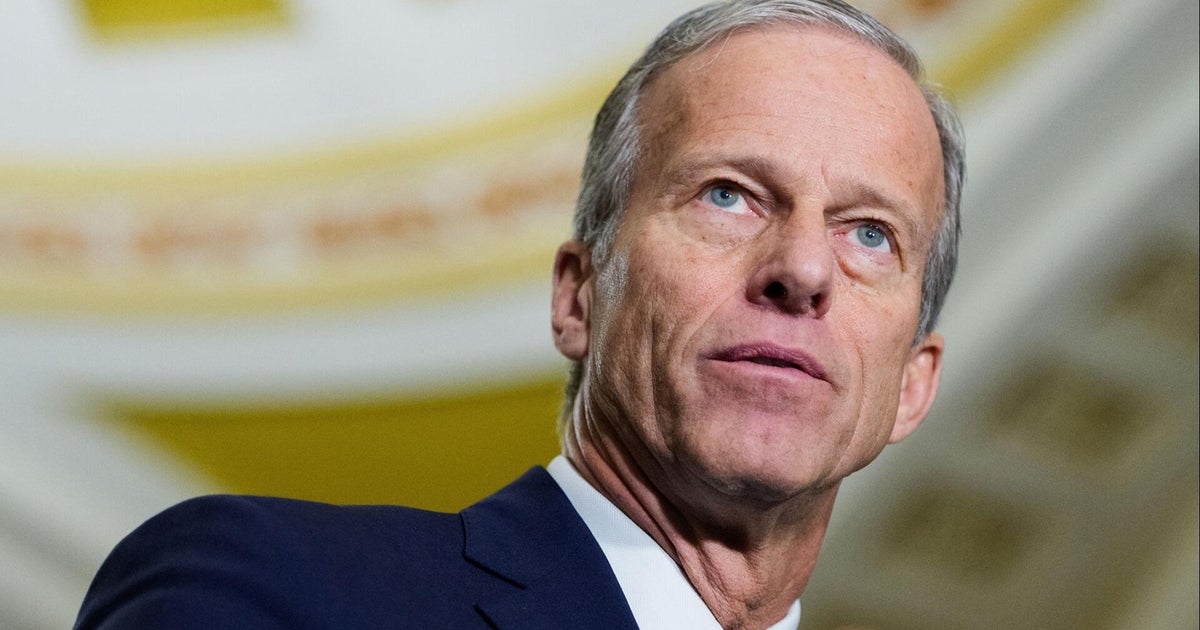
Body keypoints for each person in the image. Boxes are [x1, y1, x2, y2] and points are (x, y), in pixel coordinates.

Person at [74, 1, 964, 628]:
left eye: (870, 234)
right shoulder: (274, 587)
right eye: (728, 194)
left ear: (912, 386)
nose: (802, 269)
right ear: (578, 295)